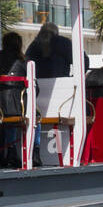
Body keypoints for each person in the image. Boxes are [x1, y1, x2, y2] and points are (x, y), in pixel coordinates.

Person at [25, 22, 72, 163]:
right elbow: (84, 62)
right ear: (56, 33)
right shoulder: (64, 43)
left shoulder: (33, 46)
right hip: (62, 93)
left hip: (36, 95)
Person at [0, 32, 27, 168]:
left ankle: (1, 154)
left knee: (6, 119)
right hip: (16, 106)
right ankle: (31, 152)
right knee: (35, 116)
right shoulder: (24, 61)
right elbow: (35, 88)